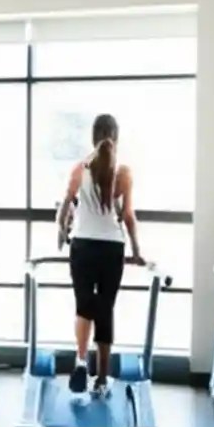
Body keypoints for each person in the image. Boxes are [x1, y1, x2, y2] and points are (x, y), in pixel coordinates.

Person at [57, 114, 143, 398]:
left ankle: (81, 361)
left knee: (84, 306)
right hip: (111, 247)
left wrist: (62, 231)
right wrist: (137, 250)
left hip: (82, 245)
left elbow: (66, 207)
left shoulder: (79, 169)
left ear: (92, 137)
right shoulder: (124, 172)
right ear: (117, 137)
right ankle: (102, 379)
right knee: (104, 309)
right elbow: (128, 216)